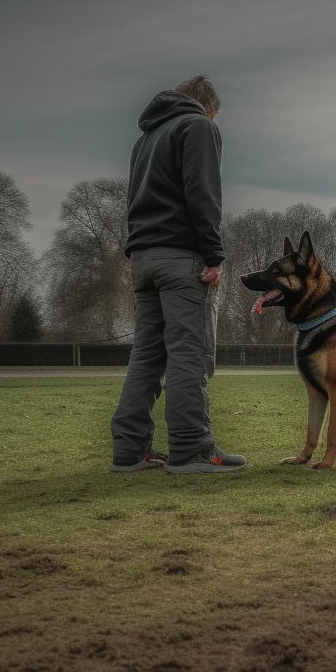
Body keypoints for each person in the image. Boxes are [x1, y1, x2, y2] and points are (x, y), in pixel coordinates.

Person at [110, 75, 247, 474]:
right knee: (190, 352)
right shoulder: (198, 126)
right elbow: (201, 193)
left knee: (147, 355)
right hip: (181, 257)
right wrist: (214, 255)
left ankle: (129, 451)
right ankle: (191, 449)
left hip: (143, 257)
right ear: (208, 106)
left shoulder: (145, 139)